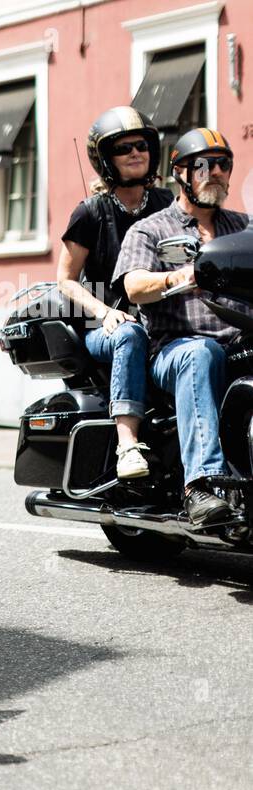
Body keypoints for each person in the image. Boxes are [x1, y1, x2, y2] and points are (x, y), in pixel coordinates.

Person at [116, 127, 251, 527]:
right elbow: (134, 286)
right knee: (201, 352)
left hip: (238, 341)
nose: (216, 173)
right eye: (203, 166)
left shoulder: (243, 228)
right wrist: (184, 275)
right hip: (175, 350)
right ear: (181, 173)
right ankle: (200, 486)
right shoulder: (152, 230)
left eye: (223, 165)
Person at [58, 108, 173, 480]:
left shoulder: (166, 203)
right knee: (128, 334)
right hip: (106, 331)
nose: (135, 153)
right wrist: (105, 312)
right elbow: (66, 279)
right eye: (124, 149)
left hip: (164, 320)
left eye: (142, 145)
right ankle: (127, 444)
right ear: (106, 159)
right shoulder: (90, 212)